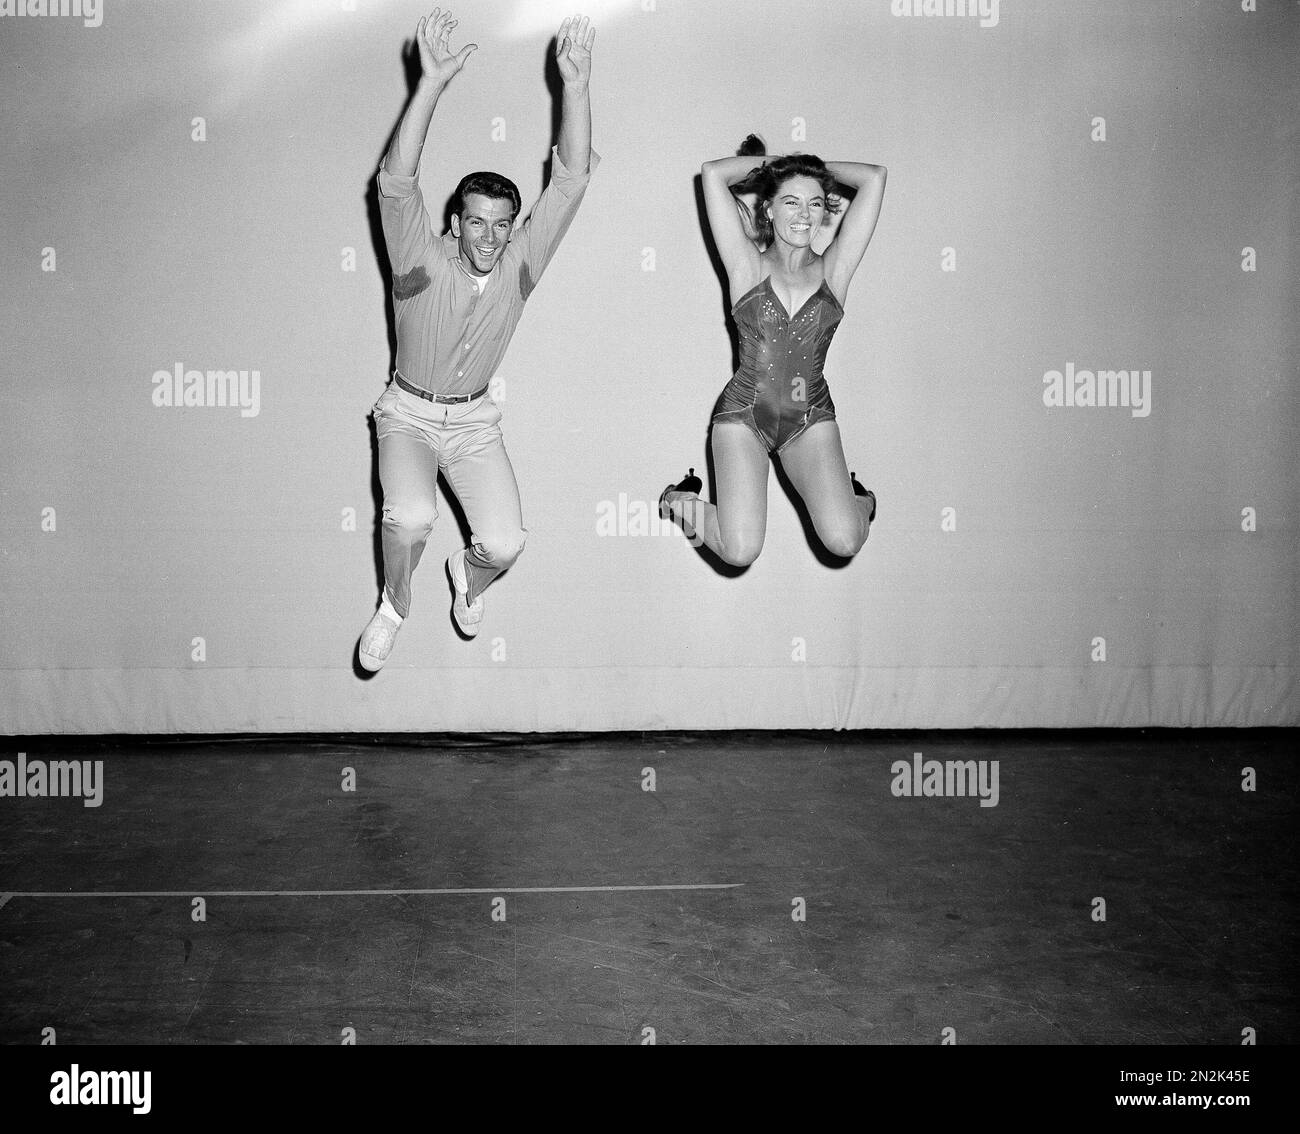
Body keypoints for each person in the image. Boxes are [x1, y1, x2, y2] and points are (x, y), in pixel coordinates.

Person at [358, 9, 597, 671]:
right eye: (477, 223)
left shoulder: (519, 267)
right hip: (409, 416)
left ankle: (467, 576)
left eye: (501, 224)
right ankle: (394, 605)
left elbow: (571, 181)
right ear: (455, 223)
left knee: (506, 543)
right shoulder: (418, 261)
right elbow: (395, 182)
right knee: (410, 517)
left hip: (473, 425)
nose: (490, 237)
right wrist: (430, 83)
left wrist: (576, 86)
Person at [660, 136, 886, 566]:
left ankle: (863, 501)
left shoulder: (834, 270)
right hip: (745, 415)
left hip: (809, 416)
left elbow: (875, 178)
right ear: (768, 208)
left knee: (845, 540)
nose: (804, 214)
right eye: (791, 202)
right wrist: (786, 166)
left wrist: (807, 167)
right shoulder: (747, 266)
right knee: (740, 550)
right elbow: (713, 174)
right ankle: (678, 500)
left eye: (815, 203)